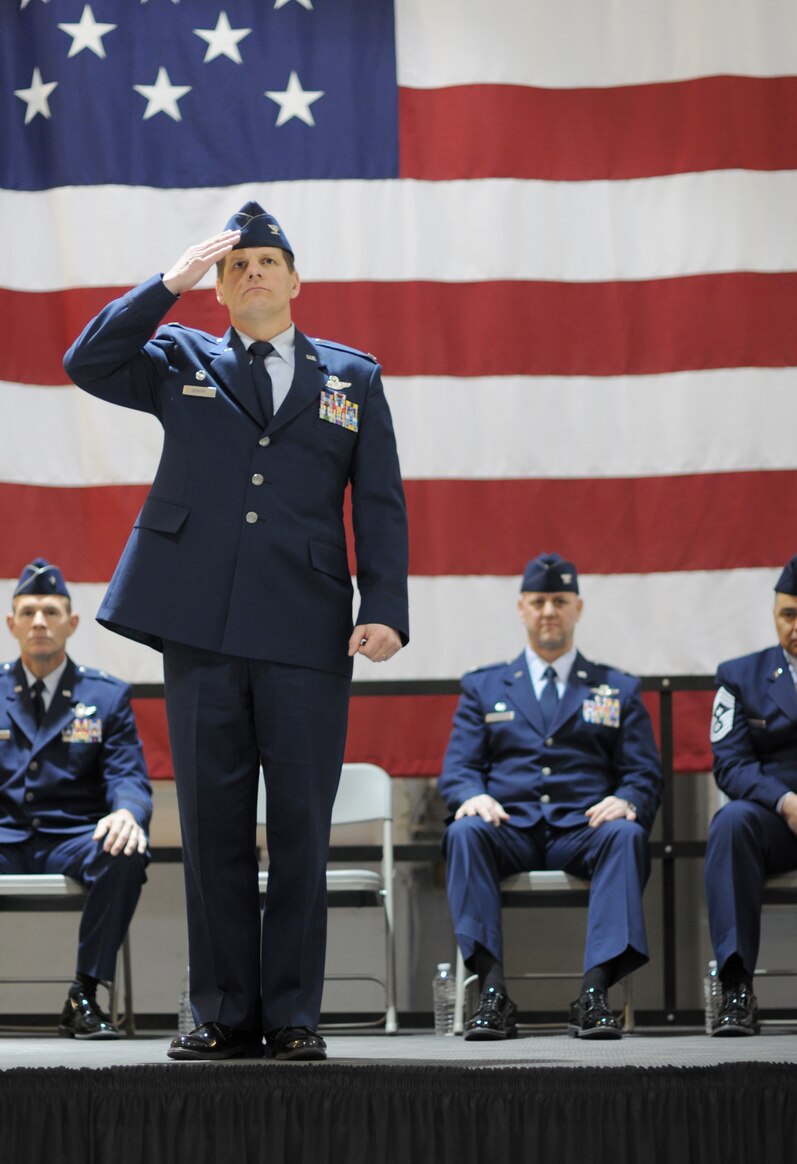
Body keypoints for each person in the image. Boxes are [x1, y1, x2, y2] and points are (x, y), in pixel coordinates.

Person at [64, 201, 409, 1062]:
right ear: (216, 289)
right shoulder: (180, 356)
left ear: (295, 280)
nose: (252, 272)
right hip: (201, 625)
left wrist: (383, 608)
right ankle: (218, 1011)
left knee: (299, 829)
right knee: (213, 827)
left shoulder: (351, 379)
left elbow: (378, 501)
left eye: (267, 261)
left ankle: (291, 1015)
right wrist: (166, 283)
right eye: (234, 265)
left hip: (306, 625)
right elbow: (87, 360)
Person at [439, 553, 661, 1039]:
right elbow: (458, 769)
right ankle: (492, 993)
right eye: (538, 601)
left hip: (583, 830)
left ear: (578, 608)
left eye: (559, 601)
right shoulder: (484, 686)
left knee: (626, 834)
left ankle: (595, 994)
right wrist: (471, 794)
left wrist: (628, 799)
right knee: (463, 831)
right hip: (507, 828)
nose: (548, 611)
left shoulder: (616, 688)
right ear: (521, 608)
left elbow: (643, 772)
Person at [0, 558, 151, 1038]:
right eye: (28, 612)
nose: (39, 622)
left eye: (51, 611)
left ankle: (83, 994)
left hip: (72, 838)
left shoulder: (105, 696)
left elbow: (128, 775)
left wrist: (127, 812)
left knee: (126, 850)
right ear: (12, 624)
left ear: (72, 622)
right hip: (5, 836)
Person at [704, 555, 797, 1036]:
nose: (796, 626)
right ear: (774, 615)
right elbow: (731, 764)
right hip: (775, 822)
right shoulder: (739, 676)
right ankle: (736, 987)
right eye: (789, 615)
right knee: (730, 822)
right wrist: (786, 801)